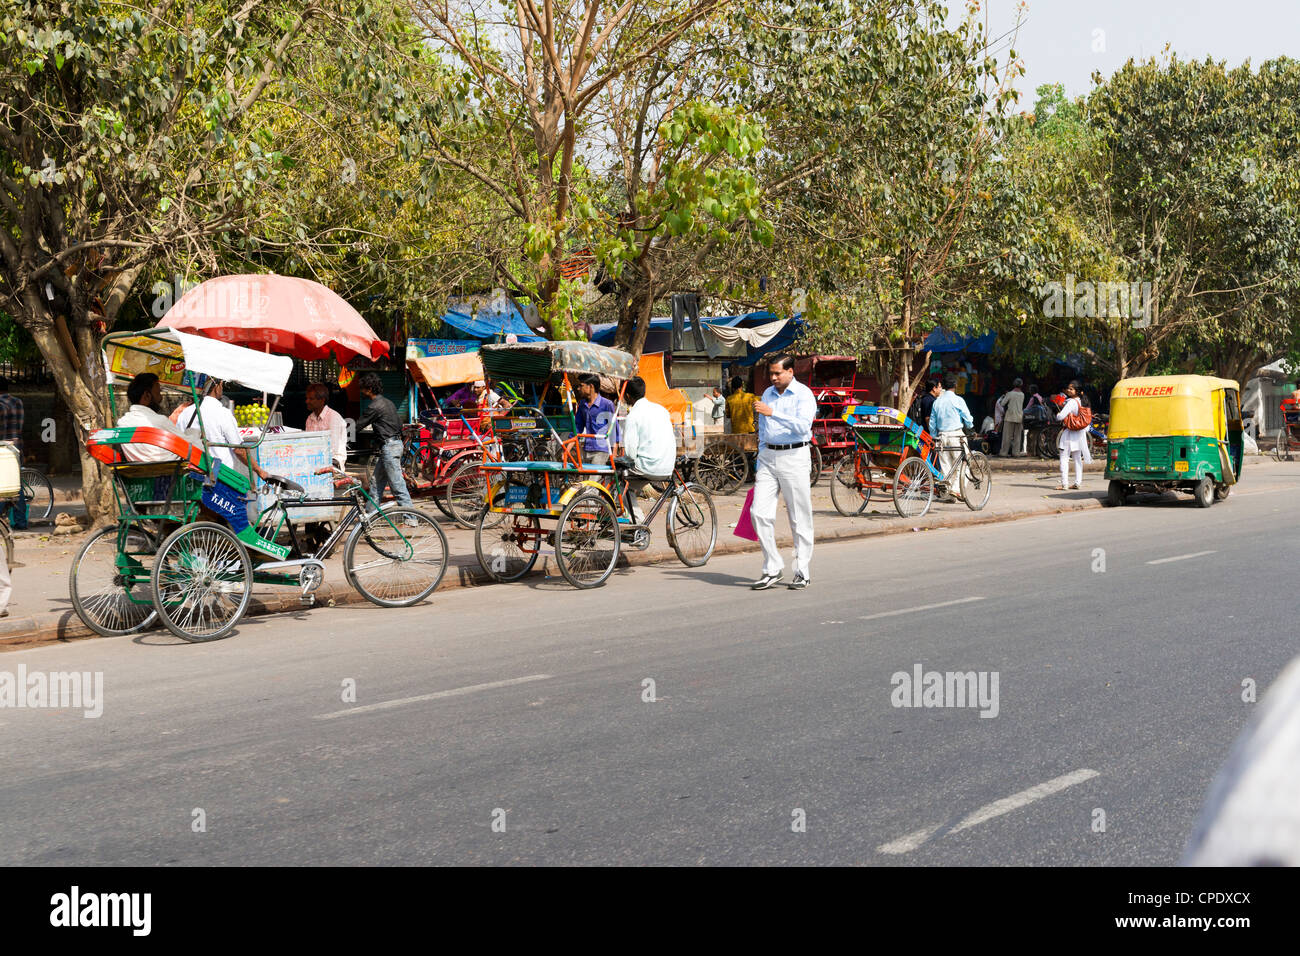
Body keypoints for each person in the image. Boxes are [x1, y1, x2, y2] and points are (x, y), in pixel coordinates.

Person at [750, 353, 816, 590]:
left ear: (791, 371)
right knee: (758, 512)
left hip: (794, 455)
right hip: (768, 456)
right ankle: (772, 567)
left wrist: (773, 412)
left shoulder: (803, 395)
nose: (774, 377)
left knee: (799, 516)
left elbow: (803, 426)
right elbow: (764, 429)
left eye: (778, 373)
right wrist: (760, 458)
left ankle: (801, 570)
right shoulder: (768, 393)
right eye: (771, 373)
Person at [181, 379, 270, 485]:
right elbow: (239, 450)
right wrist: (260, 471)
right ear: (217, 387)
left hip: (191, 475)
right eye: (222, 385)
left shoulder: (185, 413)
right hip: (219, 477)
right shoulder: (223, 413)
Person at [619, 376, 676, 522]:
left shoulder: (633, 415)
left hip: (648, 467)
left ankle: (637, 522)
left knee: (619, 483)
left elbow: (631, 453)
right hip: (668, 465)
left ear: (627, 395)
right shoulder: (661, 410)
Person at [356, 372, 411, 512]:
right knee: (376, 482)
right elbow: (398, 425)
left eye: (362, 389)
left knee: (397, 485)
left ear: (369, 389)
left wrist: (343, 432)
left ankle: (411, 517)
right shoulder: (389, 403)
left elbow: (358, 426)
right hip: (395, 445)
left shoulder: (375, 406)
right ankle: (370, 512)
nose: (361, 392)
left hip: (389, 447)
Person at [116, 373, 201, 462]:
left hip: (137, 470)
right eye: (158, 393)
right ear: (147, 395)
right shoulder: (159, 421)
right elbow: (188, 443)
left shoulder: (122, 423)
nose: (160, 398)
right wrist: (195, 433)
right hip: (169, 467)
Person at [929, 372, 974, 496]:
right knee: (963, 462)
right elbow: (967, 418)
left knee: (946, 466)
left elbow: (932, 423)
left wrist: (934, 436)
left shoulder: (937, 402)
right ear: (955, 385)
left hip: (941, 436)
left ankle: (947, 492)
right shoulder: (958, 400)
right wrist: (971, 427)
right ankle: (956, 490)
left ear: (943, 386)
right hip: (956, 436)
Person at [574, 373, 619, 465]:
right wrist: (567, 448)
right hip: (586, 448)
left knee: (592, 479)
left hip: (601, 450)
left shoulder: (607, 404)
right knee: (585, 479)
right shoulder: (582, 404)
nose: (578, 389)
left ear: (591, 386)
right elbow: (577, 428)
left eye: (581, 386)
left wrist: (614, 453)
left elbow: (614, 429)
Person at [1055, 379, 1092, 490]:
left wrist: (1058, 414)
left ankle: (1064, 484)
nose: (1068, 390)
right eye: (1068, 388)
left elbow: (1061, 417)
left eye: (1071, 389)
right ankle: (1077, 482)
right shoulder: (1082, 401)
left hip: (1069, 434)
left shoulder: (1071, 402)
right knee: (1077, 459)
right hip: (1079, 434)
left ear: (1077, 390)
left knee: (1064, 458)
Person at [0, 377, 26, 530]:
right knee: (17, 485)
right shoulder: (18, 402)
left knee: (3, 485)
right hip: (17, 447)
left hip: (3, 449)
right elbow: (20, 426)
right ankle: (21, 521)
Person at [304, 383, 348, 470]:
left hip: (333, 461)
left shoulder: (333, 417)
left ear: (322, 400)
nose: (307, 401)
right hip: (315, 459)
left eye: (311, 399)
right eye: (307, 398)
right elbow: (307, 443)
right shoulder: (310, 419)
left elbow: (333, 448)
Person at [998, 378, 1026, 457]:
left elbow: (1003, 404)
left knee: (1007, 436)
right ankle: (1016, 453)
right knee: (1017, 437)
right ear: (1021, 385)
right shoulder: (1022, 394)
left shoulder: (1010, 394)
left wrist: (1003, 398)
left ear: (1014, 384)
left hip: (1010, 416)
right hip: (1019, 417)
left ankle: (1004, 453)